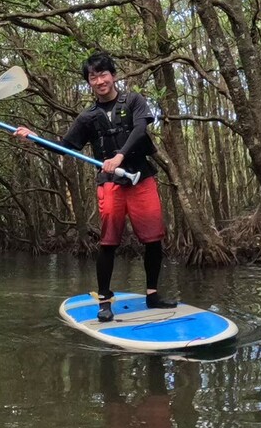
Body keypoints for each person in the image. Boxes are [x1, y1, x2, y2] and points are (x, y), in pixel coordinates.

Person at [15, 51, 175, 322]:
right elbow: (64, 148)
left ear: (113, 75)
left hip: (141, 178)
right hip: (111, 183)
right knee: (109, 241)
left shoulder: (134, 101)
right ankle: (104, 301)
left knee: (153, 239)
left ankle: (152, 295)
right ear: (88, 82)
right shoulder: (87, 117)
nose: (100, 80)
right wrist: (35, 138)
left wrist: (120, 156)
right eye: (93, 77)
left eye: (103, 74)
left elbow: (140, 130)